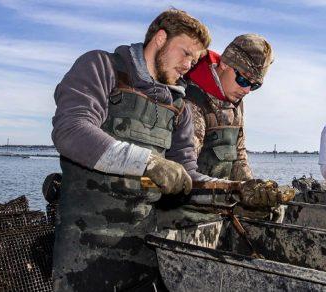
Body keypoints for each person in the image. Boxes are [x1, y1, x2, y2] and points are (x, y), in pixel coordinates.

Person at [49, 9, 210, 291]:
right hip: (86, 252)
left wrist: (235, 190)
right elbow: (72, 130)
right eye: (185, 53)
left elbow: (187, 174)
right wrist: (148, 162)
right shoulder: (101, 66)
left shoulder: (179, 107)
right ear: (160, 38)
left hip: (146, 249)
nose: (188, 65)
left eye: (194, 61)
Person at [163, 34, 287, 225]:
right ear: (225, 64)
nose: (246, 90)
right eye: (244, 80)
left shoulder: (236, 102)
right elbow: (184, 173)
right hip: (184, 215)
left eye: (253, 86)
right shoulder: (191, 102)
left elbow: (238, 155)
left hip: (220, 209)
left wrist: (251, 190)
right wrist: (236, 192)